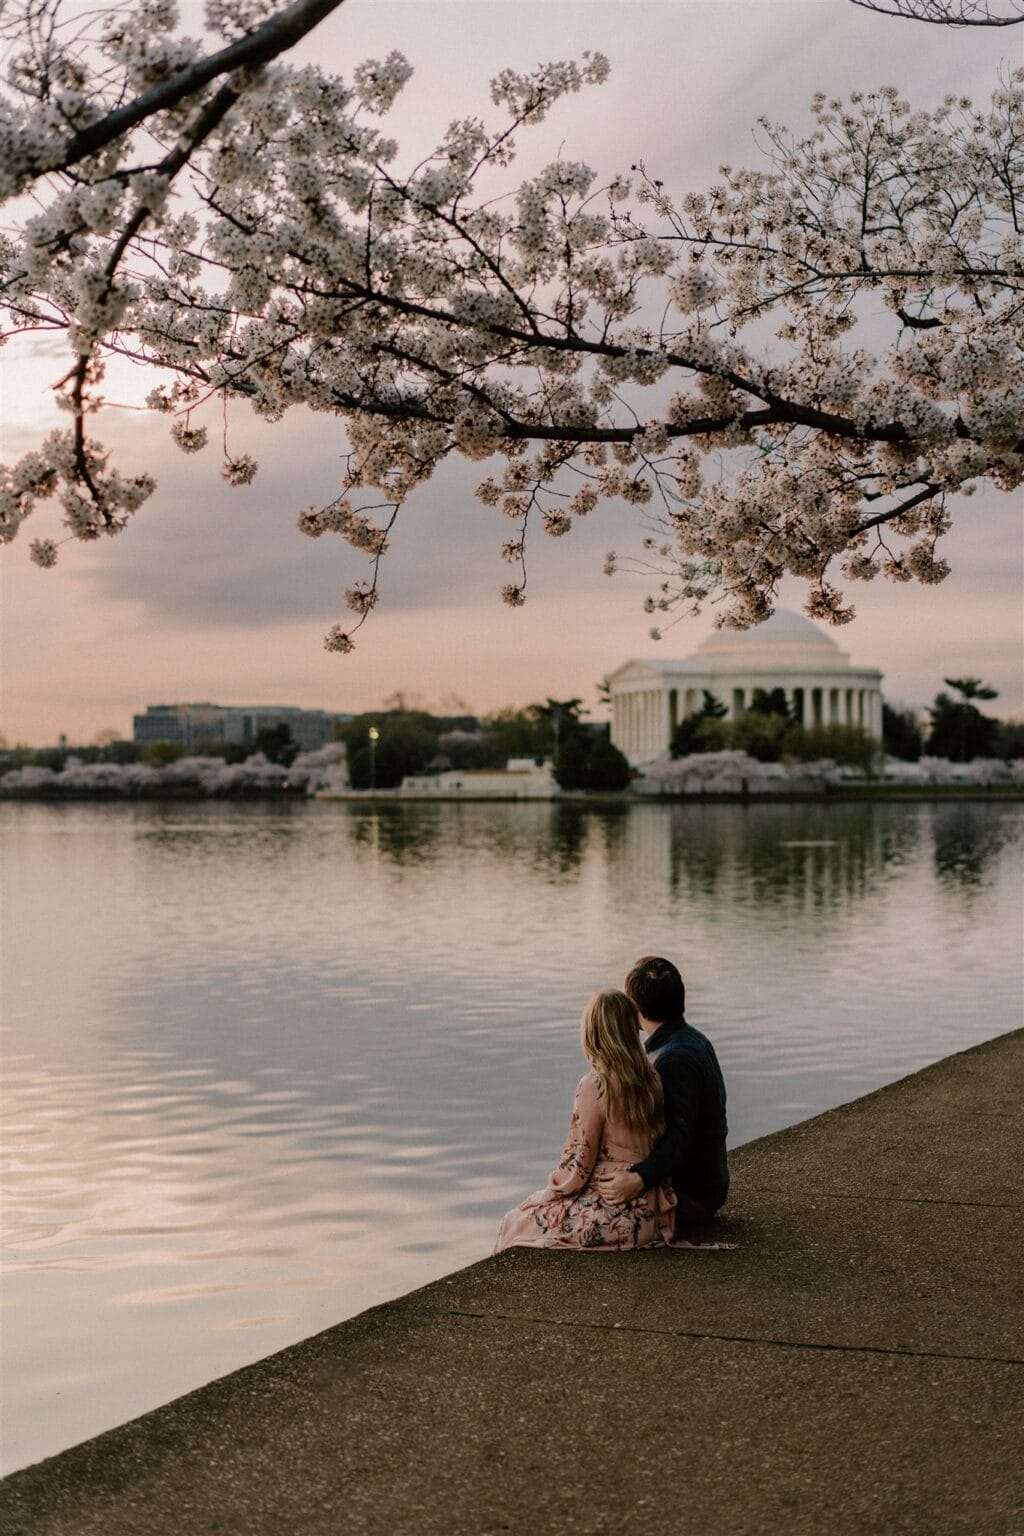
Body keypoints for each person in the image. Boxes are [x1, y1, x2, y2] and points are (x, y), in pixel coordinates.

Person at [494, 989, 677, 1252]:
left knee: (515, 1221)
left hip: (616, 1210)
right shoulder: (652, 1079)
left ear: (593, 1033)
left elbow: (579, 1167)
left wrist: (547, 1192)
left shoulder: (595, 1084)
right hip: (652, 1211)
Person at [597, 956, 728, 1231]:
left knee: (588, 1209)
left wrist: (639, 1179)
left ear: (635, 1008)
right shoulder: (691, 1040)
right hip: (704, 1185)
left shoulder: (672, 1060)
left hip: (691, 1196)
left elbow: (681, 1136)